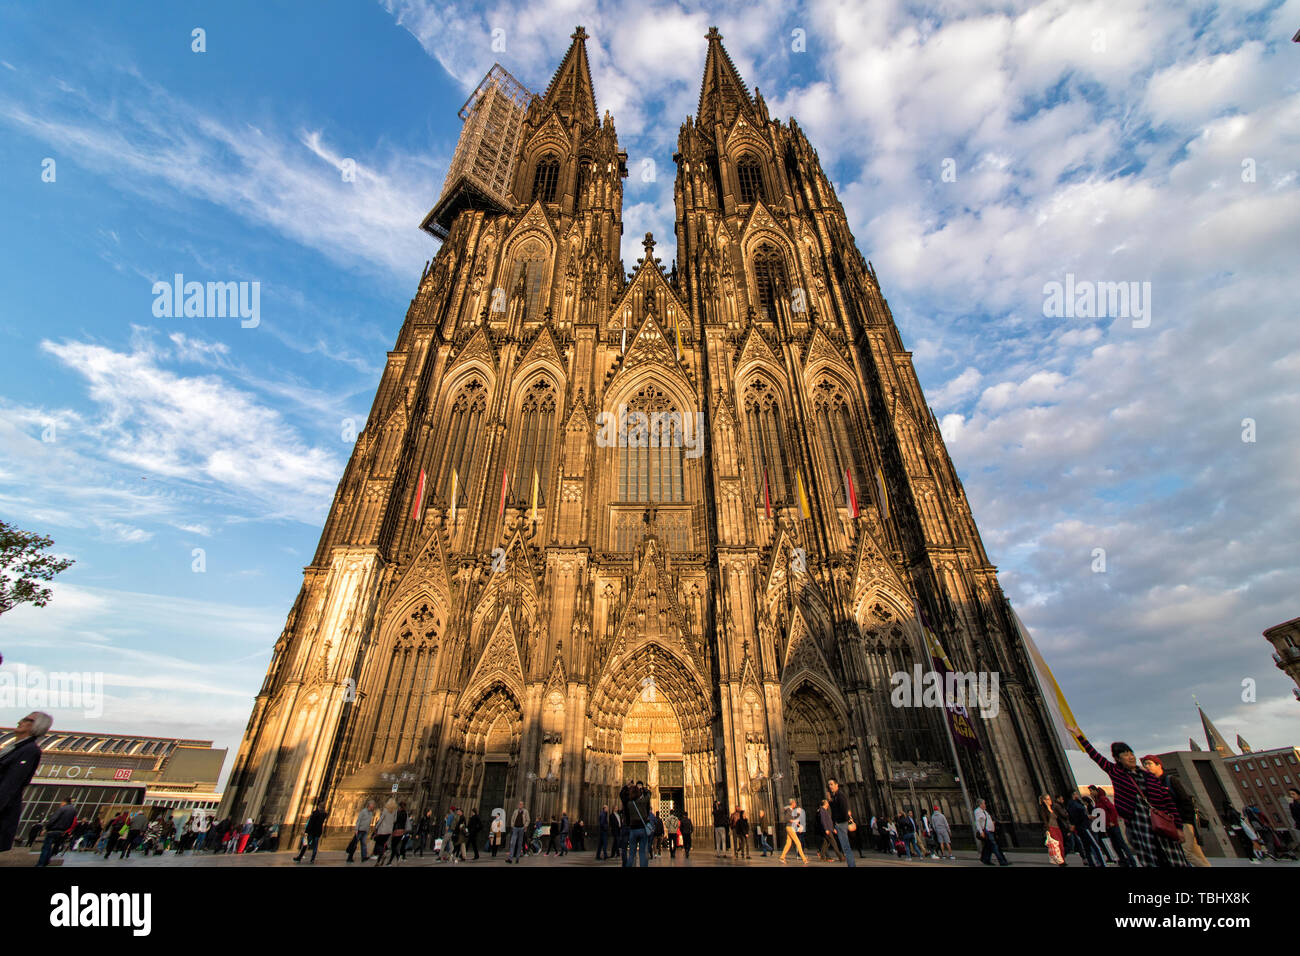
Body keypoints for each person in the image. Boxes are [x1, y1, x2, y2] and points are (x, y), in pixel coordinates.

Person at [1068, 723, 1188, 867]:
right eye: (1125, 755)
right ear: (1118, 759)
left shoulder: (1148, 776)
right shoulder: (1116, 773)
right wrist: (1079, 736)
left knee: (1174, 859)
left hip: (1160, 822)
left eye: (1131, 754)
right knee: (1151, 860)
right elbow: (1095, 756)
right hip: (1139, 824)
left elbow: (1167, 801)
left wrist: (1179, 827)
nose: (1130, 757)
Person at [1141, 756, 1209, 868]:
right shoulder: (1152, 785)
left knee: (1186, 853)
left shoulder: (1171, 780)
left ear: (1159, 765)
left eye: (1149, 764)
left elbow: (1186, 801)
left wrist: (1186, 821)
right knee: (1197, 854)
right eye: (1145, 765)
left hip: (1183, 822)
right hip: (1170, 823)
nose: (1147, 767)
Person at [0, 713, 50, 854]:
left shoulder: (29, 751)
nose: (20, 721)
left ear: (36, 726)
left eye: (27, 720)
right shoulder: (14, 747)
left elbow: (10, 785)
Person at [1066, 790, 1105, 866]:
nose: (1077, 795)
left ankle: (1091, 863)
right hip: (1084, 827)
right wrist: (1087, 817)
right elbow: (1080, 815)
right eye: (1076, 793)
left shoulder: (1070, 805)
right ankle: (1102, 863)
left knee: (1086, 847)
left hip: (1079, 828)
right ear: (1073, 795)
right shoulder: (1076, 805)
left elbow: (1072, 817)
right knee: (1095, 846)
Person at [36, 798, 76, 867]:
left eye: (61, 803)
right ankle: (47, 860)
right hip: (62, 831)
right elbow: (72, 822)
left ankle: (41, 863)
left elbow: (53, 819)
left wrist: (46, 828)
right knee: (53, 846)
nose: (60, 804)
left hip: (53, 830)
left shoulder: (62, 809)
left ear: (64, 802)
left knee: (46, 847)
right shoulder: (73, 810)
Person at [826, 779, 855, 867]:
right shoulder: (835, 796)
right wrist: (830, 801)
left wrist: (838, 822)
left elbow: (844, 810)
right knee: (845, 847)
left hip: (841, 824)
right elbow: (835, 809)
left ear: (836, 785)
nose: (830, 786)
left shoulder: (840, 796)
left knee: (846, 847)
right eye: (829, 785)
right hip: (839, 824)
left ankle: (851, 865)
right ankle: (851, 864)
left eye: (831, 784)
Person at [624, 782, 652, 867]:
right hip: (642, 829)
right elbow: (649, 795)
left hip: (633, 830)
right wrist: (645, 790)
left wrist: (626, 788)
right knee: (642, 853)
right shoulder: (642, 801)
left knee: (631, 854)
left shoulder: (629, 804)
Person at [974, 798, 1010, 865]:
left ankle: (985, 860)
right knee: (994, 846)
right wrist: (981, 832)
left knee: (989, 847)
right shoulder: (978, 811)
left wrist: (992, 823)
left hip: (991, 831)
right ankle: (1002, 861)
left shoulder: (985, 811)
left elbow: (986, 820)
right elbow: (977, 822)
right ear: (980, 804)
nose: (985, 804)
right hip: (987, 832)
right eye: (984, 803)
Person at [780, 798, 808, 865]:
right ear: (792, 803)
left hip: (790, 827)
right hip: (790, 827)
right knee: (798, 842)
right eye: (795, 803)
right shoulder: (789, 810)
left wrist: (799, 824)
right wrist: (795, 821)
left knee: (788, 843)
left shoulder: (791, 810)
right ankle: (804, 859)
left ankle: (782, 857)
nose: (795, 804)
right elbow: (787, 819)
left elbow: (793, 820)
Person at [1039, 795, 1065, 865]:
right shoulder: (1043, 809)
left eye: (1050, 799)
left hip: (1057, 828)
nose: (1050, 800)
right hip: (1051, 828)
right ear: (1044, 801)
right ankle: (1061, 861)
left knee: (1061, 844)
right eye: (1048, 799)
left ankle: (1062, 860)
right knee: (1057, 844)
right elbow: (1045, 820)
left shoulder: (1053, 808)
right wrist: (1047, 830)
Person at [372, 799, 396, 865]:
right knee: (383, 844)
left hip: (383, 830)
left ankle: (381, 855)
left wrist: (376, 827)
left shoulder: (385, 810)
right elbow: (395, 820)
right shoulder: (395, 811)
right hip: (389, 831)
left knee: (379, 844)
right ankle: (379, 860)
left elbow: (381, 819)